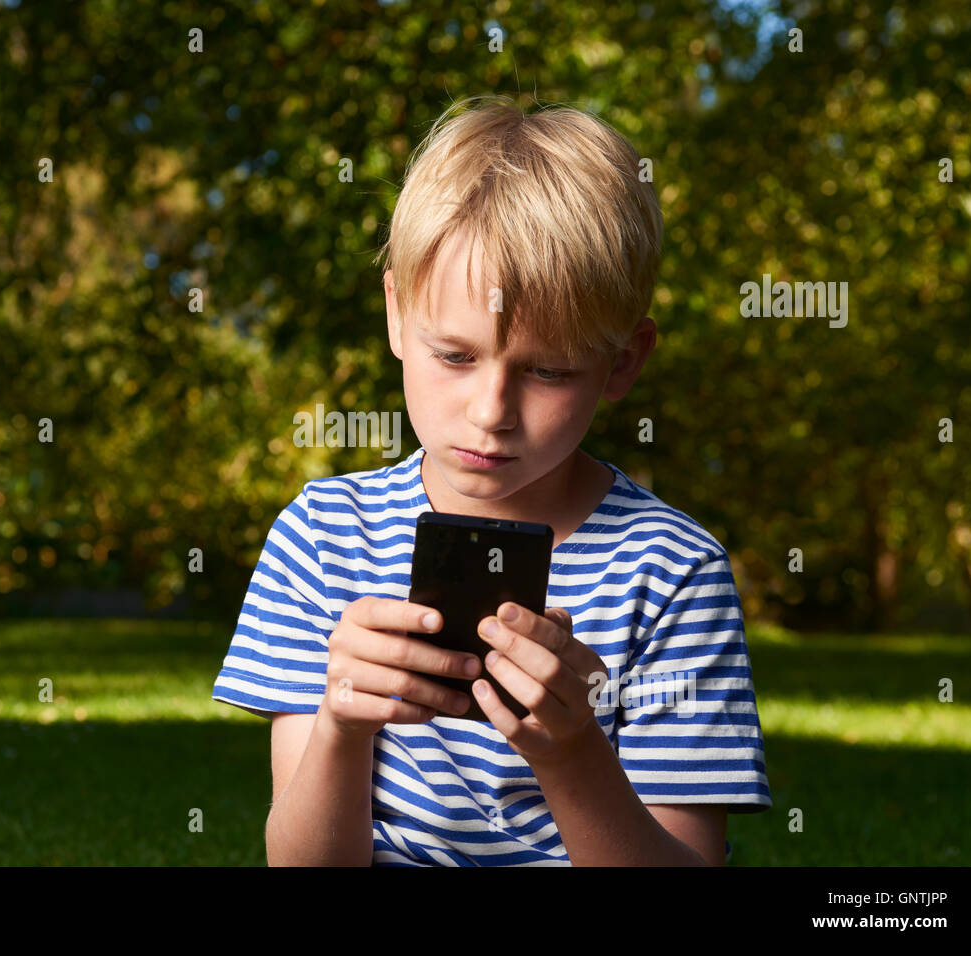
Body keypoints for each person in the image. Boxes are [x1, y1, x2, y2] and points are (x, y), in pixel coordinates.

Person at [211, 94, 772, 865]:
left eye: (548, 370)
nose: (491, 411)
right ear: (397, 319)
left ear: (623, 363)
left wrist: (570, 749)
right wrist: (343, 724)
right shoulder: (322, 536)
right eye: (455, 356)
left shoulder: (674, 571)